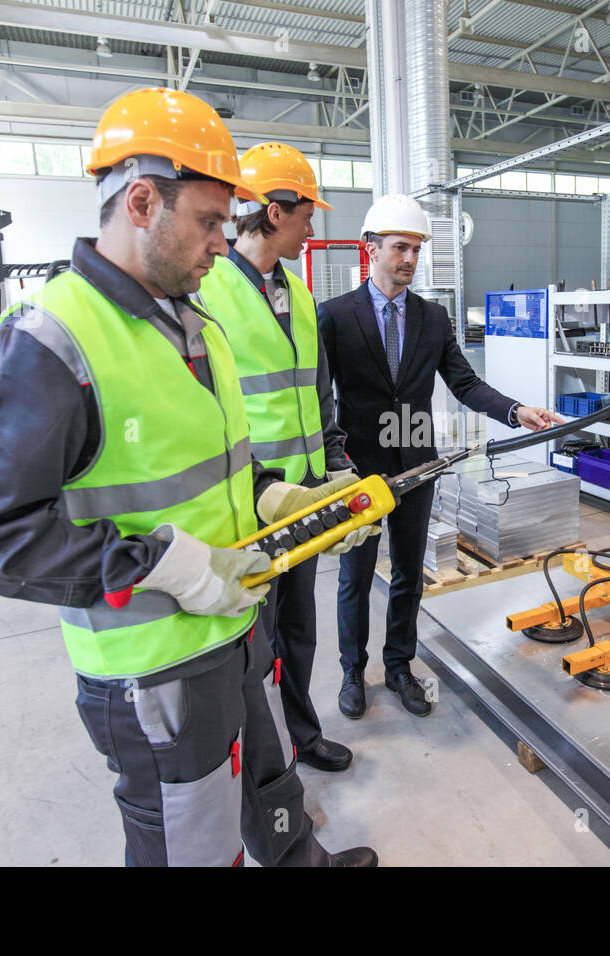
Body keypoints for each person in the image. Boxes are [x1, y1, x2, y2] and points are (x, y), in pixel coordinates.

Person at [0, 88, 374, 867]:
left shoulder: (196, 324)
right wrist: (161, 566)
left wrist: (275, 495)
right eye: (209, 222)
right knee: (192, 844)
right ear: (142, 201)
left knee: (269, 784)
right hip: (152, 672)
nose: (223, 242)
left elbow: (215, 465)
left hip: (233, 626)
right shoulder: (52, 342)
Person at [317, 194, 563, 719]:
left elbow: (464, 382)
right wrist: (332, 460)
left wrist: (515, 410)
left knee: (409, 572)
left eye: (416, 249)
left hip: (417, 465)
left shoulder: (433, 318)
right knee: (355, 577)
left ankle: (400, 666)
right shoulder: (335, 317)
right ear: (371, 247)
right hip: (357, 469)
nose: (409, 259)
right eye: (400, 247)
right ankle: (351, 671)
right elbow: (319, 397)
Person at [196, 142, 373, 774]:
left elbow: (315, 388)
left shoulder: (297, 290)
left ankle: (301, 736)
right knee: (253, 643)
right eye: (305, 215)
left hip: (303, 493)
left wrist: (333, 465)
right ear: (274, 212)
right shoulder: (208, 290)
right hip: (249, 502)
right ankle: (261, 765)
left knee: (300, 630)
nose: (312, 226)